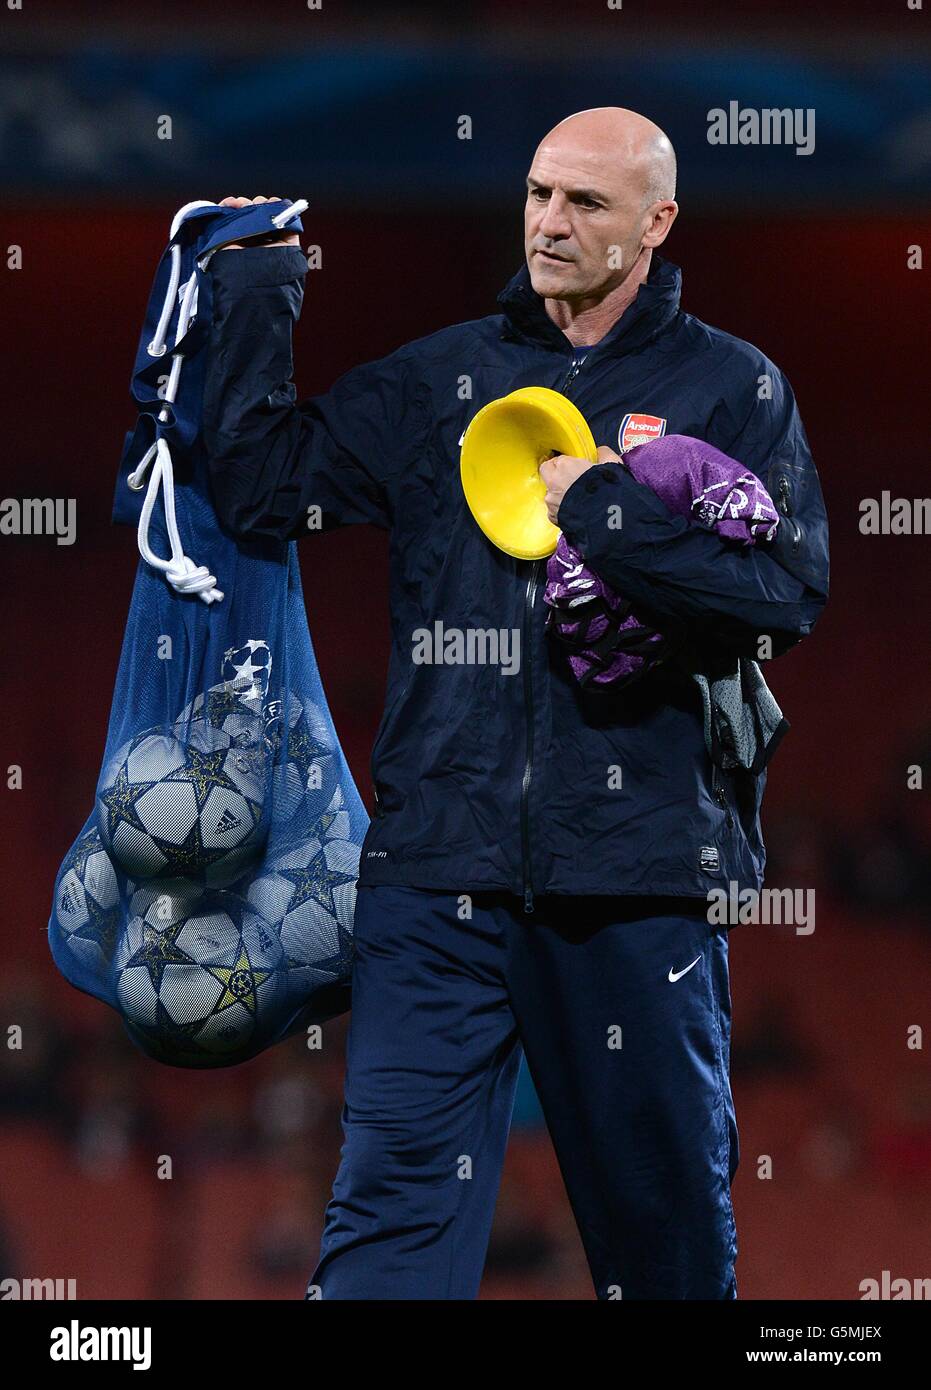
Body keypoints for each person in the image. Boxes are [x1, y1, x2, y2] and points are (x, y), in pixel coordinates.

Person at [203, 107, 829, 1300]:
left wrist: (604, 508)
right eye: (539, 193)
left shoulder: (731, 387)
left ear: (656, 224)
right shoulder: (444, 376)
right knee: (387, 1227)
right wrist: (252, 296)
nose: (549, 221)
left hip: (636, 881)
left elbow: (784, 594)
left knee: (666, 1253)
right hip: (437, 874)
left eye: (585, 203)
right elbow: (264, 486)